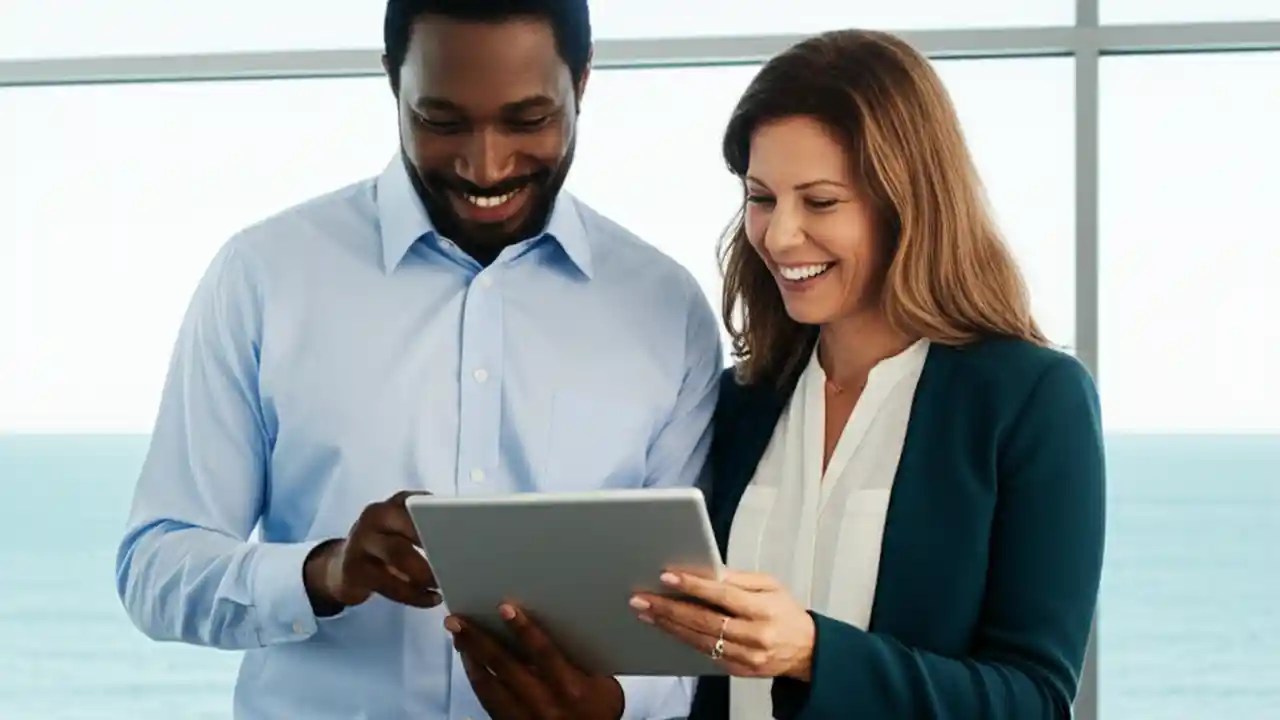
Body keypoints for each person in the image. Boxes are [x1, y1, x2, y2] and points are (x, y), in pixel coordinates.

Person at [114, 1, 721, 718]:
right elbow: (156, 568)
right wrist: (323, 572)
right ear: (391, 84)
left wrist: (612, 705)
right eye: (442, 121)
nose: (485, 164)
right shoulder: (264, 277)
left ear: (582, 85)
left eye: (528, 120)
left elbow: (694, 620)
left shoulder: (666, 309)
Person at [628, 29, 1106, 719]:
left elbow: (1033, 697)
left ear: (907, 203)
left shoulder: (1032, 401)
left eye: (819, 201)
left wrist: (813, 654)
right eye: (761, 197)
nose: (780, 234)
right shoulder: (741, 401)